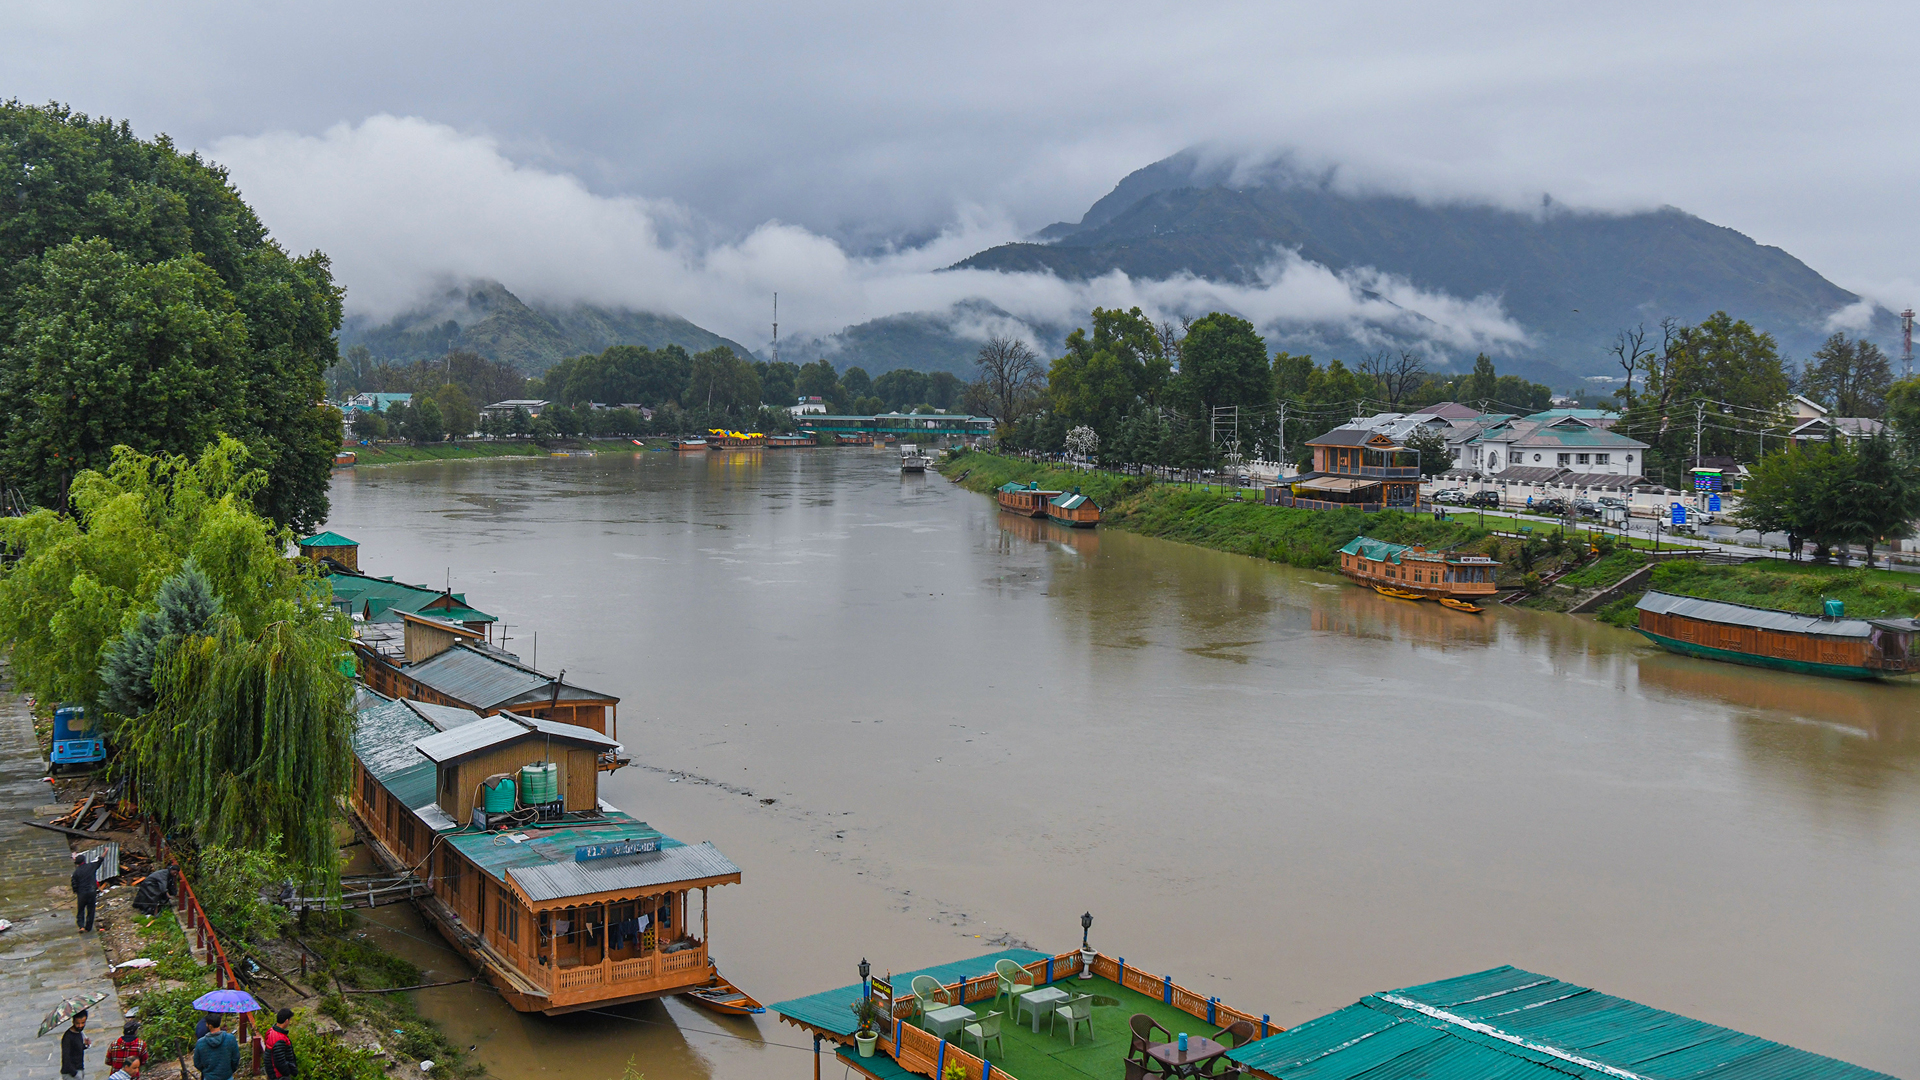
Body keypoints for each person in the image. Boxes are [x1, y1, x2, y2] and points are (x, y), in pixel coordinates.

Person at [192, 1014, 241, 1080]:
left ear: (210, 1026)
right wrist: (229, 1070)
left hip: (209, 1077)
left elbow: (197, 1062)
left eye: (206, 1024)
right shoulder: (230, 1038)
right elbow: (235, 1058)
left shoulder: (201, 1042)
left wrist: (206, 1071)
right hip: (227, 1076)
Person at [262, 1008, 298, 1080]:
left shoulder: (271, 1031)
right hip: (278, 1075)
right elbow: (280, 1061)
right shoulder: (279, 1038)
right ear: (286, 1021)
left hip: (272, 1071)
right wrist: (288, 1072)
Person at [71, 852, 98, 932]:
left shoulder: (76, 872)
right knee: (91, 910)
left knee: (81, 909)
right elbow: (100, 860)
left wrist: (76, 891)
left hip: (82, 893)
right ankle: (88, 928)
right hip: (91, 892)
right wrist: (105, 851)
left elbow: (74, 883)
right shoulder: (91, 867)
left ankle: (81, 926)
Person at [60, 1010, 90, 1080]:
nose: (80, 1026)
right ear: (73, 1021)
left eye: (83, 1023)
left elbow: (76, 1049)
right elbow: (66, 1059)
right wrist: (75, 1074)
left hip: (79, 1069)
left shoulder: (79, 1033)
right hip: (71, 1073)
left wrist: (85, 1045)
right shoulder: (68, 1037)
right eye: (77, 1023)